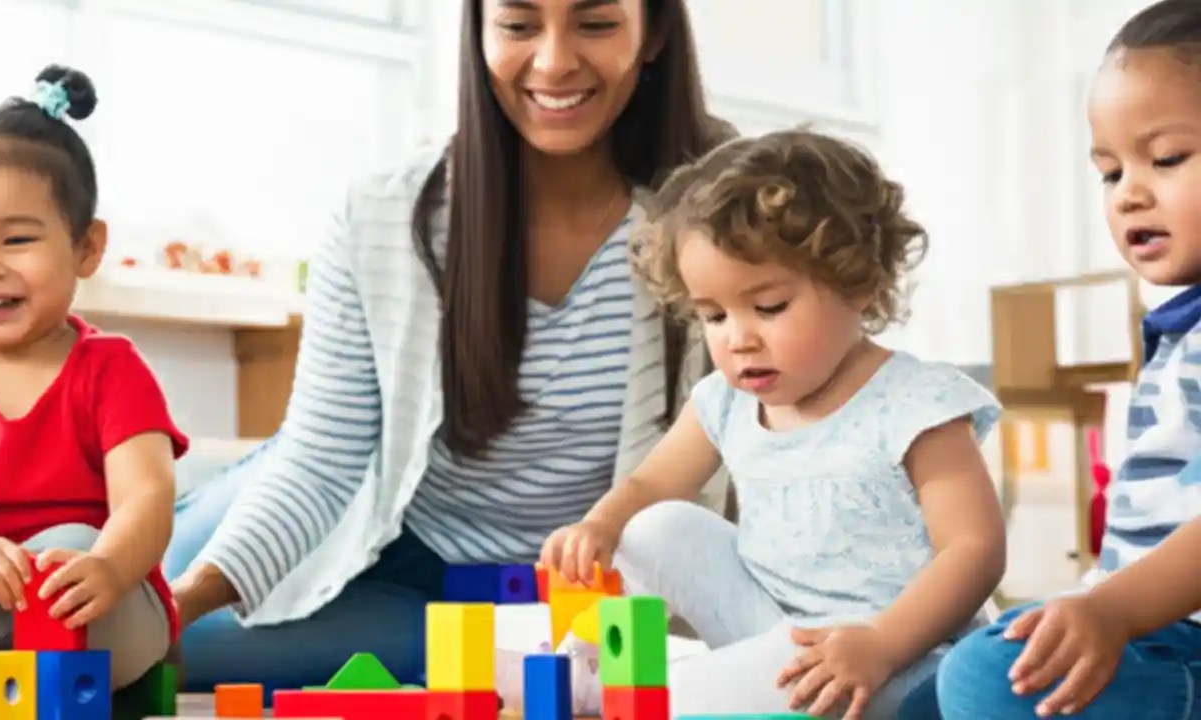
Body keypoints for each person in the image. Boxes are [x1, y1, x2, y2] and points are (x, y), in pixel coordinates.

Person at [166, 0, 734, 691]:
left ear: (654, 35)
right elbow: (321, 462)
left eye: (595, 24)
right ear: (478, 32)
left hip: (509, 602)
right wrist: (179, 604)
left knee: (201, 658)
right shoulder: (384, 214)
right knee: (127, 623)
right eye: (519, 25)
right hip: (371, 526)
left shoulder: (725, 217)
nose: (554, 62)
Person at [541, 129, 1007, 719]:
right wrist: (599, 526)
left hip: (894, 659)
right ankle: (581, 671)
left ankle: (641, 698)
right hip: (775, 635)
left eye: (768, 308)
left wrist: (884, 646)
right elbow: (651, 486)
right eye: (713, 315)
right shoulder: (725, 401)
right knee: (652, 527)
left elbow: (976, 549)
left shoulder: (915, 403)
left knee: (669, 704)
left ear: (859, 283)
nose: (738, 339)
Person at [935, 1, 1201, 717]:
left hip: (1180, 644)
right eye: (1110, 173)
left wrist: (1111, 612)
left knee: (982, 678)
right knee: (970, 665)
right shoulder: (1179, 330)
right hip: (1157, 630)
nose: (1130, 193)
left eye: (1167, 158)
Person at [0, 66, 188, 718]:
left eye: (17, 239)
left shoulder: (111, 368)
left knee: (65, 538)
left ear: (86, 247)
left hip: (102, 603)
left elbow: (147, 498)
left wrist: (108, 567)